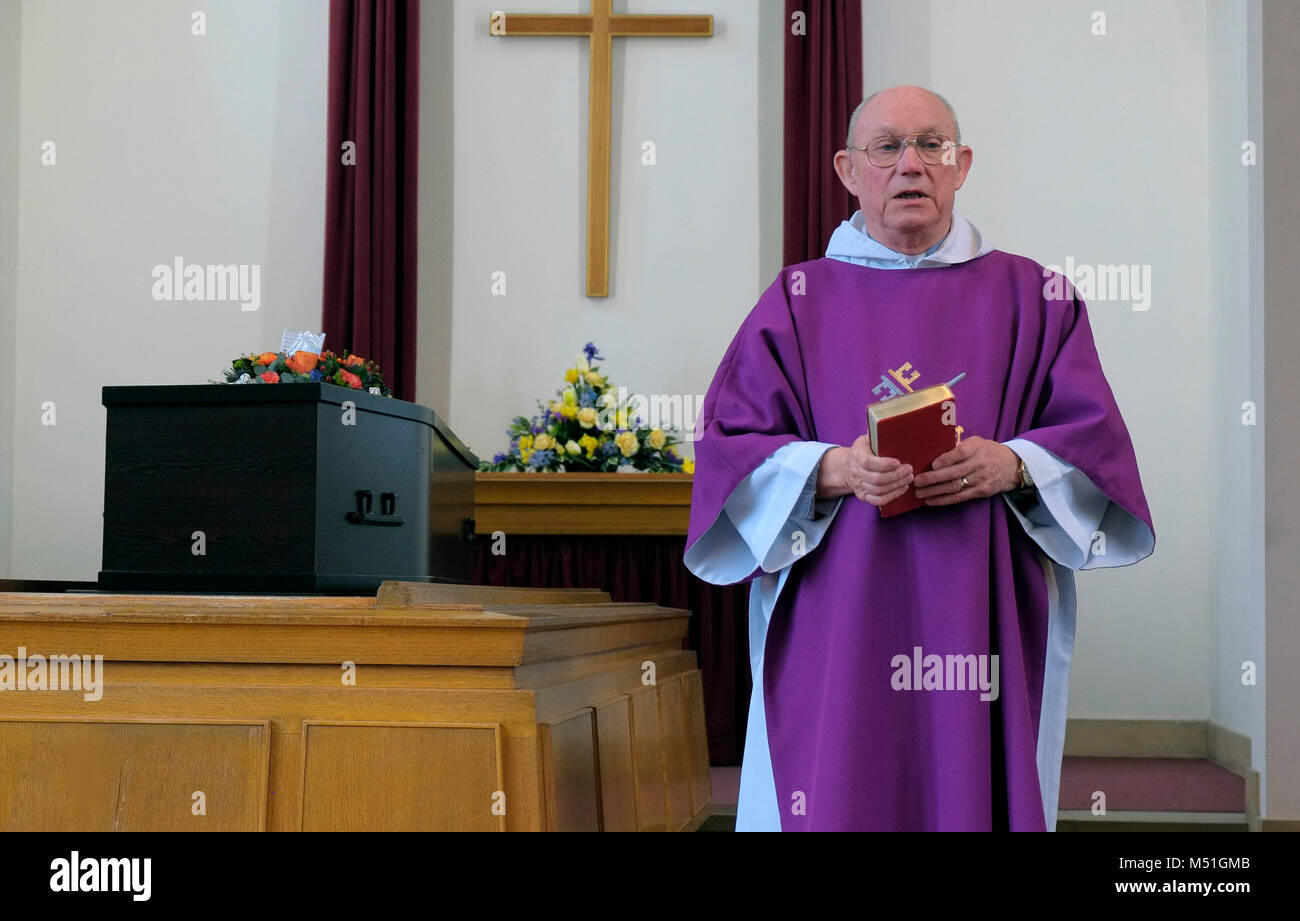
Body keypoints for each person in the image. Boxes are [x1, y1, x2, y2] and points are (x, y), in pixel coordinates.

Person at [684, 85, 1155, 831]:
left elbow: (1093, 438)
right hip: (839, 605)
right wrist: (831, 468)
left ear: (962, 164)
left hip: (979, 602)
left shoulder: (1036, 295)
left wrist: (1014, 462)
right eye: (888, 147)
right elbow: (728, 451)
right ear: (847, 169)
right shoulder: (797, 298)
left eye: (932, 145)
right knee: (841, 782)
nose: (911, 164)